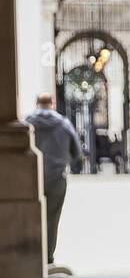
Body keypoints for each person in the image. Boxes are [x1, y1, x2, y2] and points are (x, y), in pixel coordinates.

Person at [24, 93, 84, 266]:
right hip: (56, 177)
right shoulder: (64, 124)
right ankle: (48, 257)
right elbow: (76, 152)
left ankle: (30, 253)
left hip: (30, 177)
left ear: (36, 103)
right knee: (52, 218)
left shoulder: (27, 123)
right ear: (53, 103)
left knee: (30, 217)